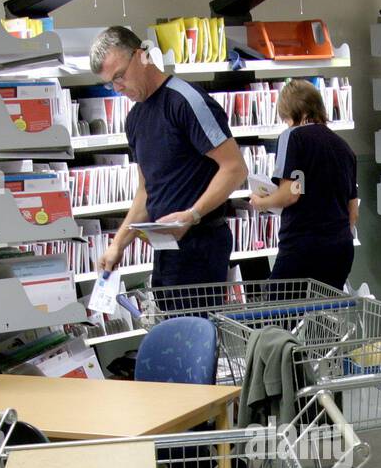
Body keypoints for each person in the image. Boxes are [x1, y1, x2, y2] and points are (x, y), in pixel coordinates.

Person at [91, 27, 248, 290]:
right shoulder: (135, 119)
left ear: (141, 56)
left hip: (202, 243)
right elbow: (145, 193)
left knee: (195, 328)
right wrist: (118, 244)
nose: (118, 88)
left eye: (120, 76)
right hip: (165, 247)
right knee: (169, 325)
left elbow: (235, 168)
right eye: (110, 83)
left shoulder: (186, 102)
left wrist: (192, 215)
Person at [249, 80, 359, 289]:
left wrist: (262, 202)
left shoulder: (293, 136)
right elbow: (352, 212)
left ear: (287, 111)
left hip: (302, 246)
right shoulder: (344, 147)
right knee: (323, 316)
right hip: (340, 249)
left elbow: (291, 194)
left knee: (279, 315)